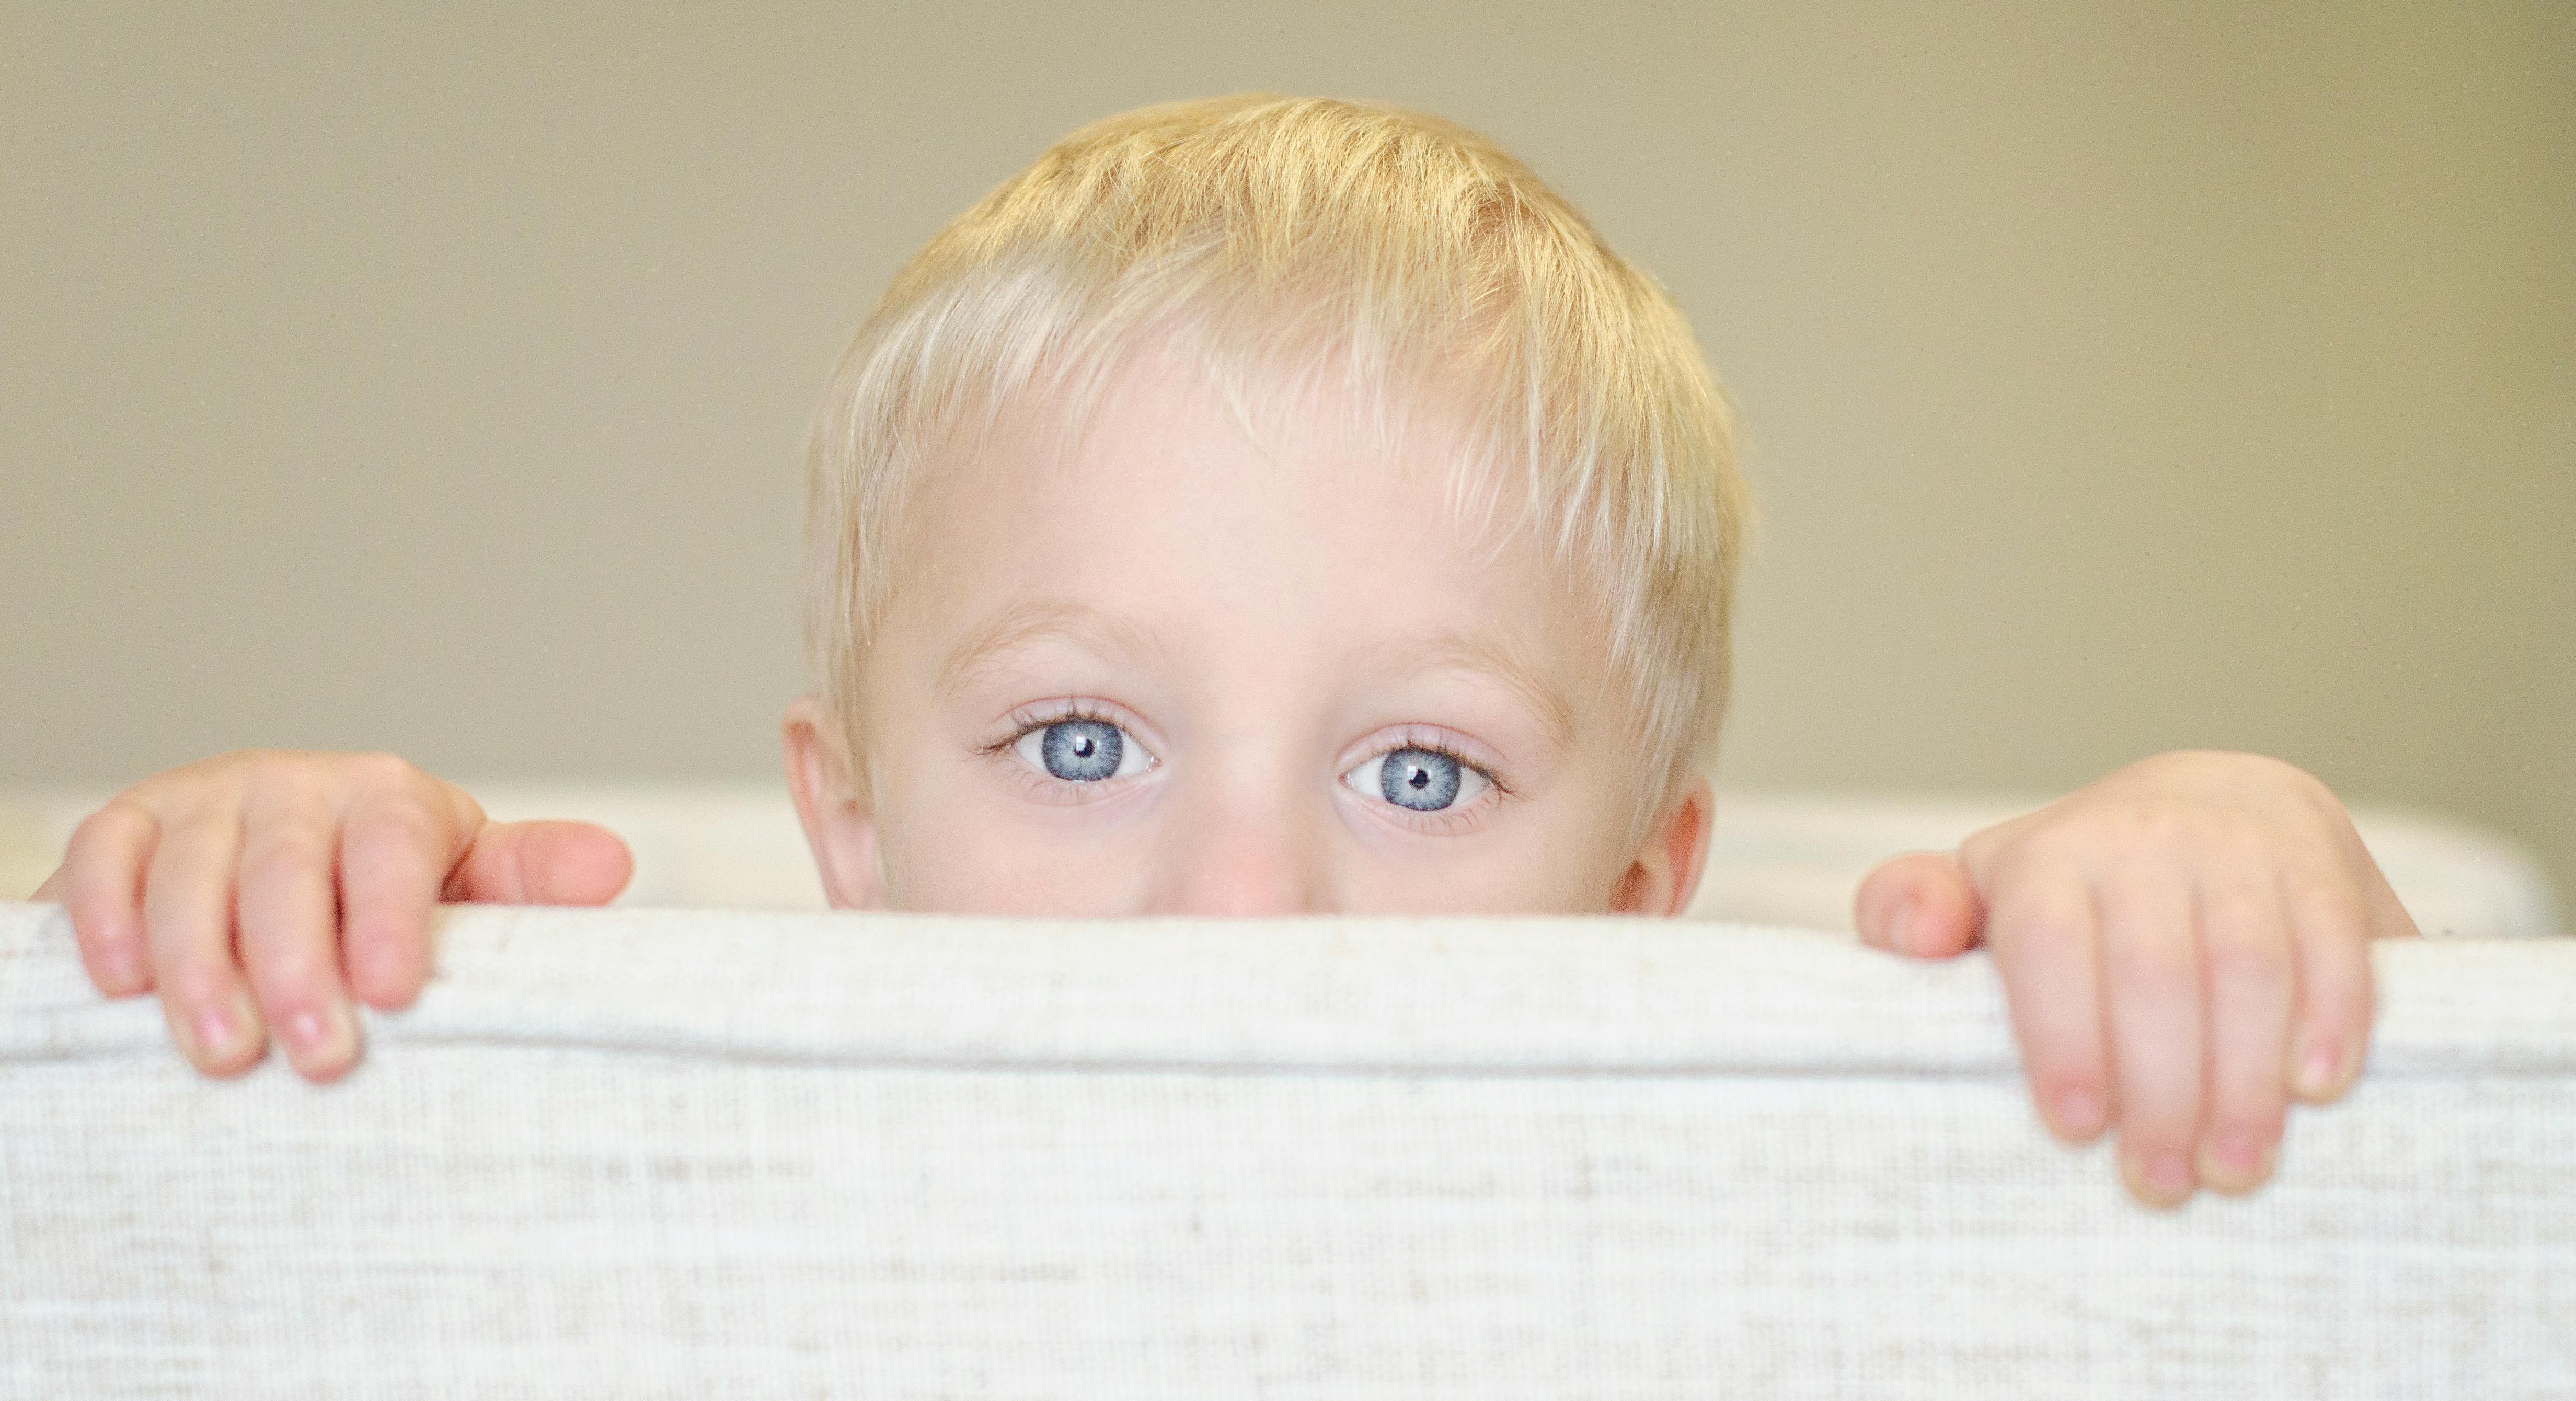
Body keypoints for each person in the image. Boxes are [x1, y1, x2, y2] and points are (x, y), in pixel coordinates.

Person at [30, 95, 2415, 1208]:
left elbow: (2392, 1246)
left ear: (1640, 883)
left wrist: (2228, 860)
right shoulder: (684, 1154)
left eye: (1415, 773)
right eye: (1080, 738)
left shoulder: (1742, 1186)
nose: (1242, 910)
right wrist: (288, 897)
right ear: (843, 828)